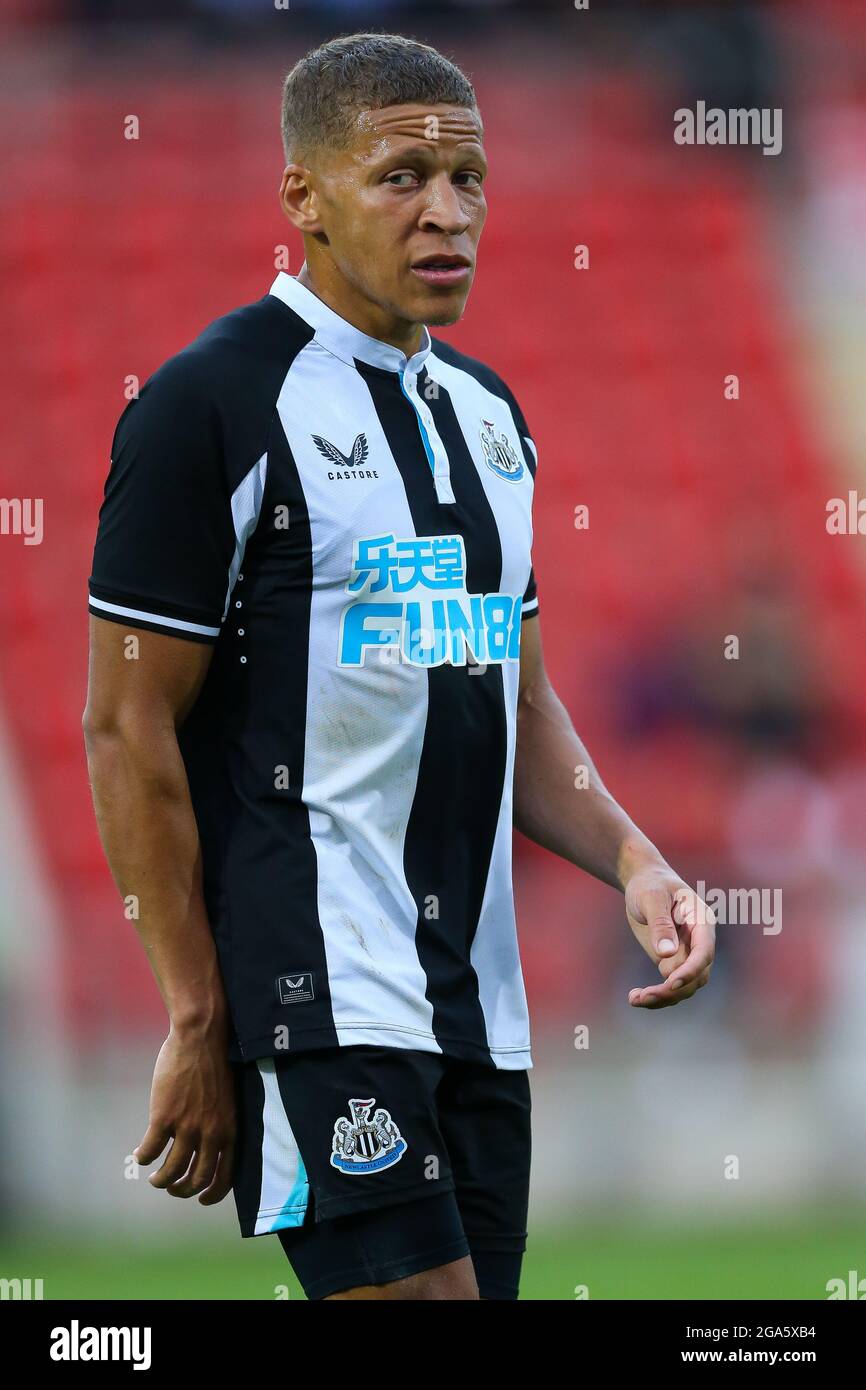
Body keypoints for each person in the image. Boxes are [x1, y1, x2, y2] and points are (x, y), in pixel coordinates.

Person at [83, 31, 715, 1302]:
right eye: (401, 175)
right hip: (314, 992)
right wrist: (198, 1013)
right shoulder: (210, 407)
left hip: (475, 1008)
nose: (446, 211)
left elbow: (514, 695)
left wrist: (634, 860)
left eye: (468, 179)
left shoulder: (488, 419)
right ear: (301, 196)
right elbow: (124, 726)